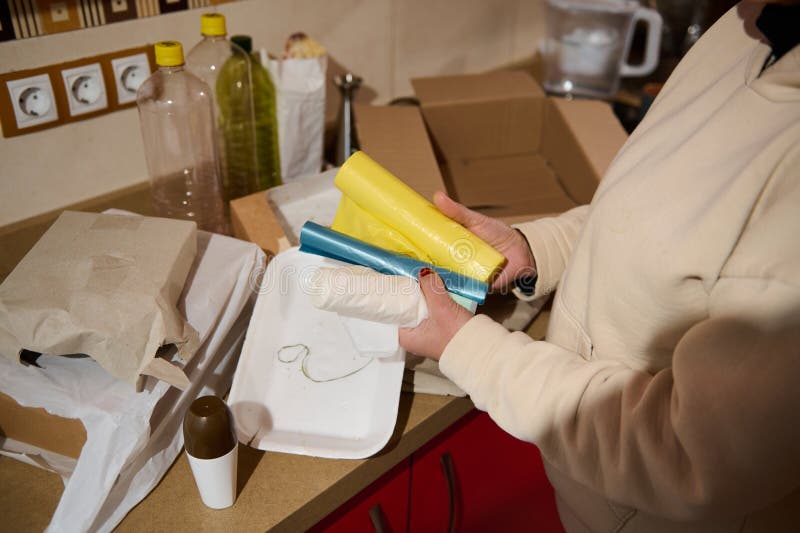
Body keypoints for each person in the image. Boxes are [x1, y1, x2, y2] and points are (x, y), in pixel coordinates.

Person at [399, 2, 800, 531]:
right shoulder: (748, 25)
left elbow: (689, 455)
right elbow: (655, 212)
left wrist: (470, 348)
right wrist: (532, 248)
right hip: (596, 494)